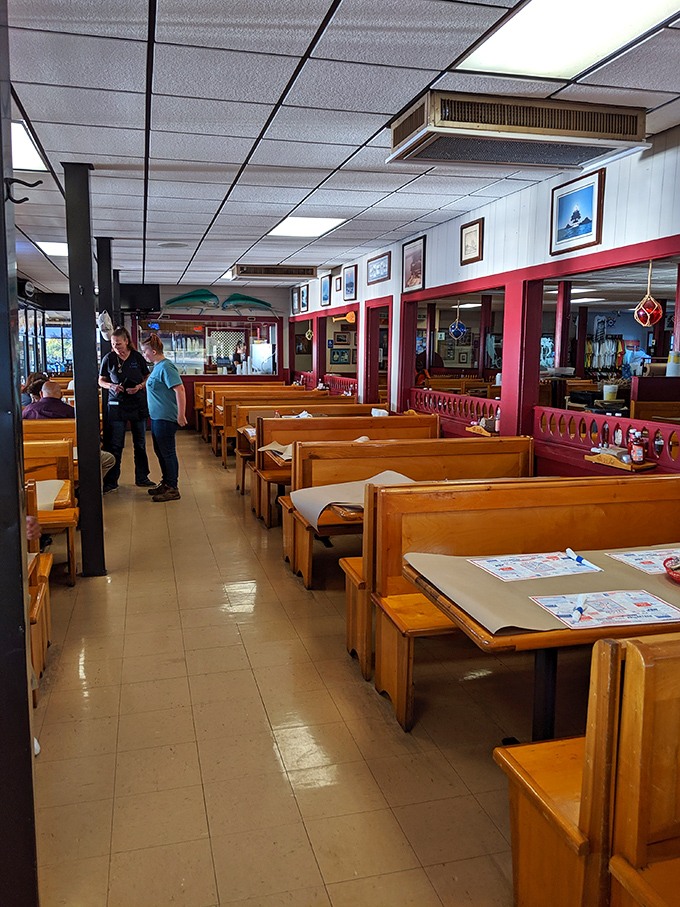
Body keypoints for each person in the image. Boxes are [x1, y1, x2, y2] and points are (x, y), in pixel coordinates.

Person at [98, 326, 154, 494]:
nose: (116, 347)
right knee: (115, 445)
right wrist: (111, 386)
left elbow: (147, 376)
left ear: (127, 341)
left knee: (140, 443)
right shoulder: (109, 358)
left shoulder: (137, 357)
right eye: (114, 344)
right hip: (117, 404)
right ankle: (112, 480)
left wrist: (139, 386)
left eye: (119, 344)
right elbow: (101, 380)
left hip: (137, 402)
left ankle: (142, 477)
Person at [140, 333, 187, 502]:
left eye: (145, 352)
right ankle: (166, 483)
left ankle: (173, 488)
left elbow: (179, 390)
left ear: (153, 351)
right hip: (158, 417)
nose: (144, 355)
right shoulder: (158, 367)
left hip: (166, 418)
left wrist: (181, 415)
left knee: (167, 453)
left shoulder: (167, 367)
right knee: (160, 452)